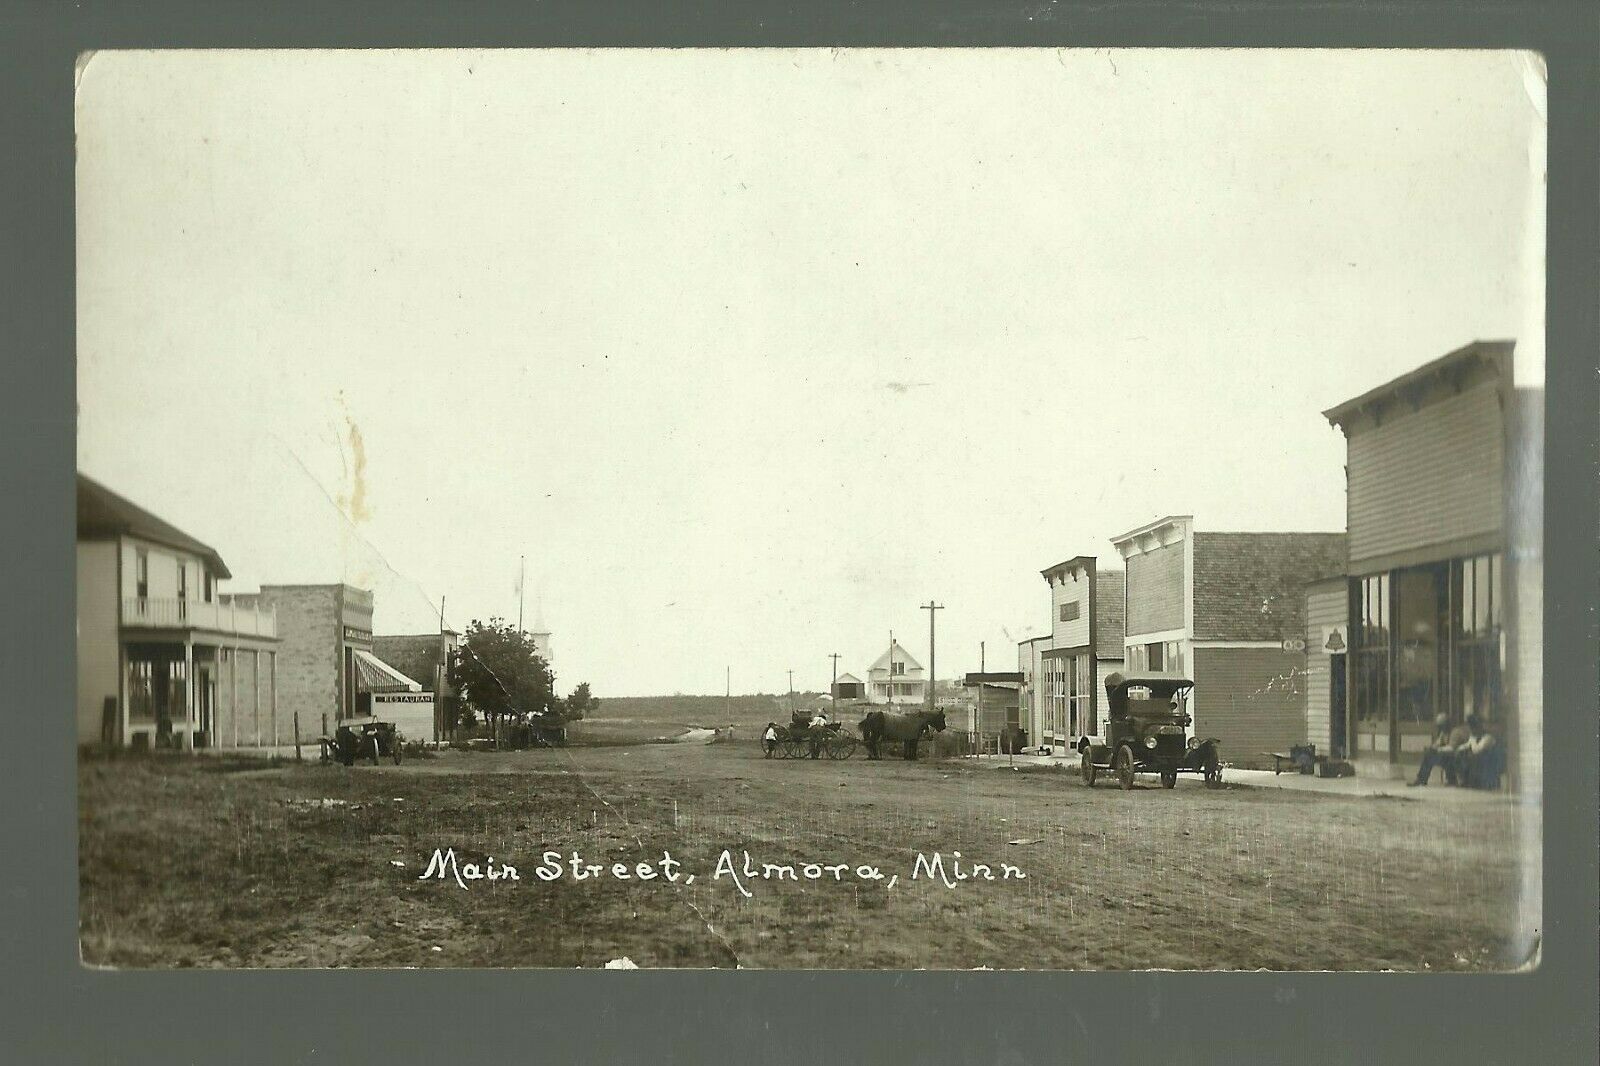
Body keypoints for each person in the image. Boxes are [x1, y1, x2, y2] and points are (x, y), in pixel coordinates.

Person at [1409, 713, 1469, 786]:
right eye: (1439, 726)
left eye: (1441, 725)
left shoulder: (1455, 732)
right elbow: (1438, 743)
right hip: (1450, 757)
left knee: (1442, 757)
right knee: (1429, 755)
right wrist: (1431, 748)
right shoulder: (1444, 733)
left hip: (1459, 758)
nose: (1441, 728)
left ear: (1447, 724)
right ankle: (1421, 779)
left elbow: (1452, 748)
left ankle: (1451, 779)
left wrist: (1438, 750)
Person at [1458, 715, 1504, 789]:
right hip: (1479, 761)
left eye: (1473, 729)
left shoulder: (1487, 737)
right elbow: (1467, 745)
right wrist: (1460, 748)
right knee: (1462, 755)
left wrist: (1472, 740)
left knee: (1472, 757)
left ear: (1478, 728)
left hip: (1488, 762)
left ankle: (1475, 781)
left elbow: (1477, 750)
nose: (1472, 731)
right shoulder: (1475, 736)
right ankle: (1465, 780)